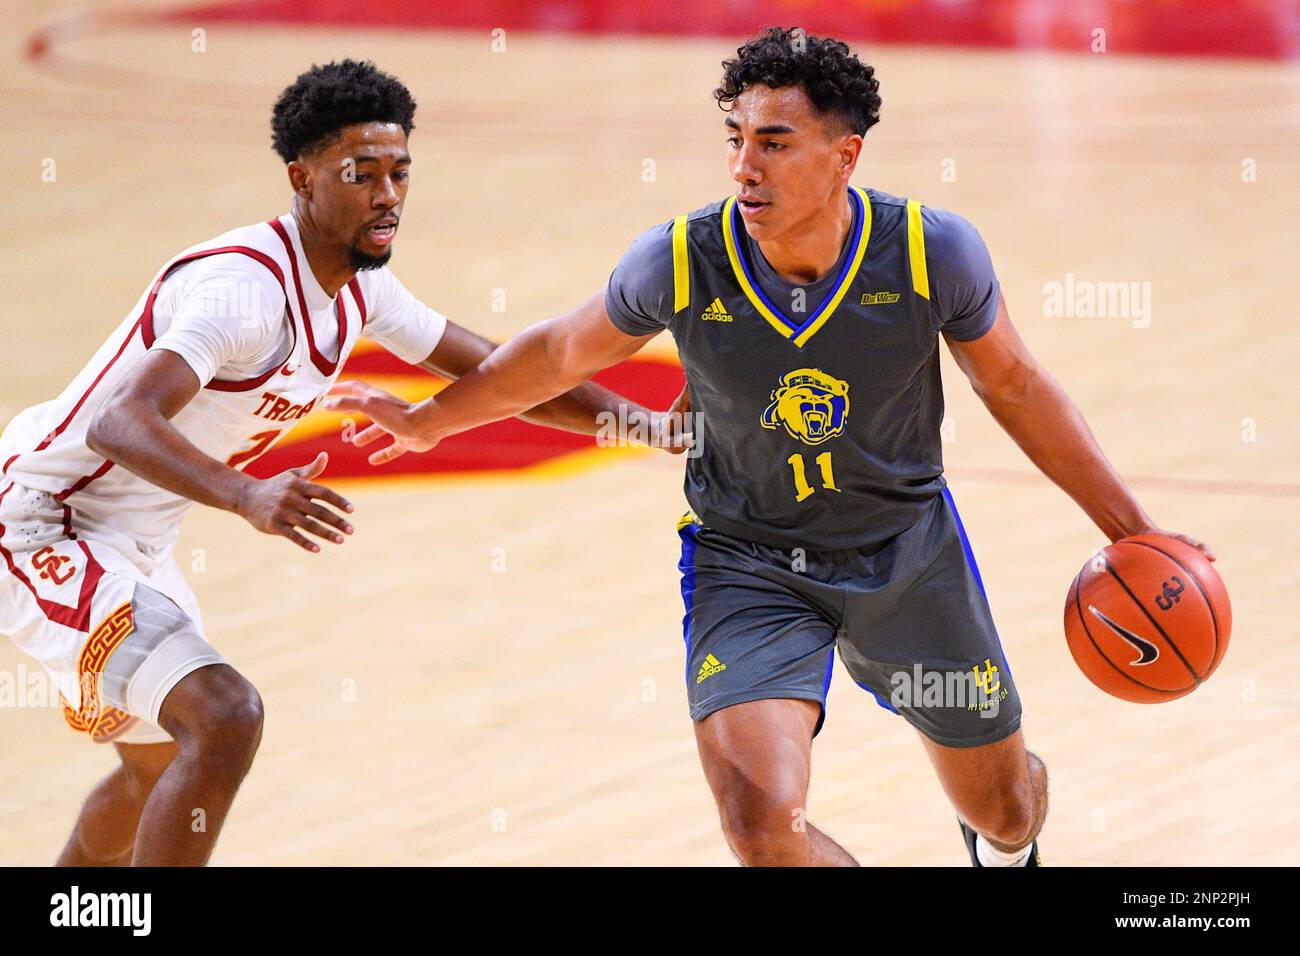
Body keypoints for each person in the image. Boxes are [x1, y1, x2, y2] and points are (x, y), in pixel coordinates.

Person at [324, 30, 1215, 867]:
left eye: (774, 143)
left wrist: (1134, 532)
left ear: (845, 157)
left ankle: (1003, 839)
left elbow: (1015, 387)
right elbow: (558, 353)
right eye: (736, 139)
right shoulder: (681, 258)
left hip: (906, 556)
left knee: (1006, 810)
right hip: (747, 562)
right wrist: (433, 419)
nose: (744, 166)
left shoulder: (930, 252)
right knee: (762, 827)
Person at [0, 59, 674, 866]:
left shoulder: (360, 290)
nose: (387, 195)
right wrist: (246, 495)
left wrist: (653, 427)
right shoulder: (241, 292)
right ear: (302, 178)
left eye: (400, 173)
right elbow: (120, 422)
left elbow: (509, 373)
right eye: (361, 174)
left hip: (133, 540)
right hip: (45, 523)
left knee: (157, 769)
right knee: (224, 717)